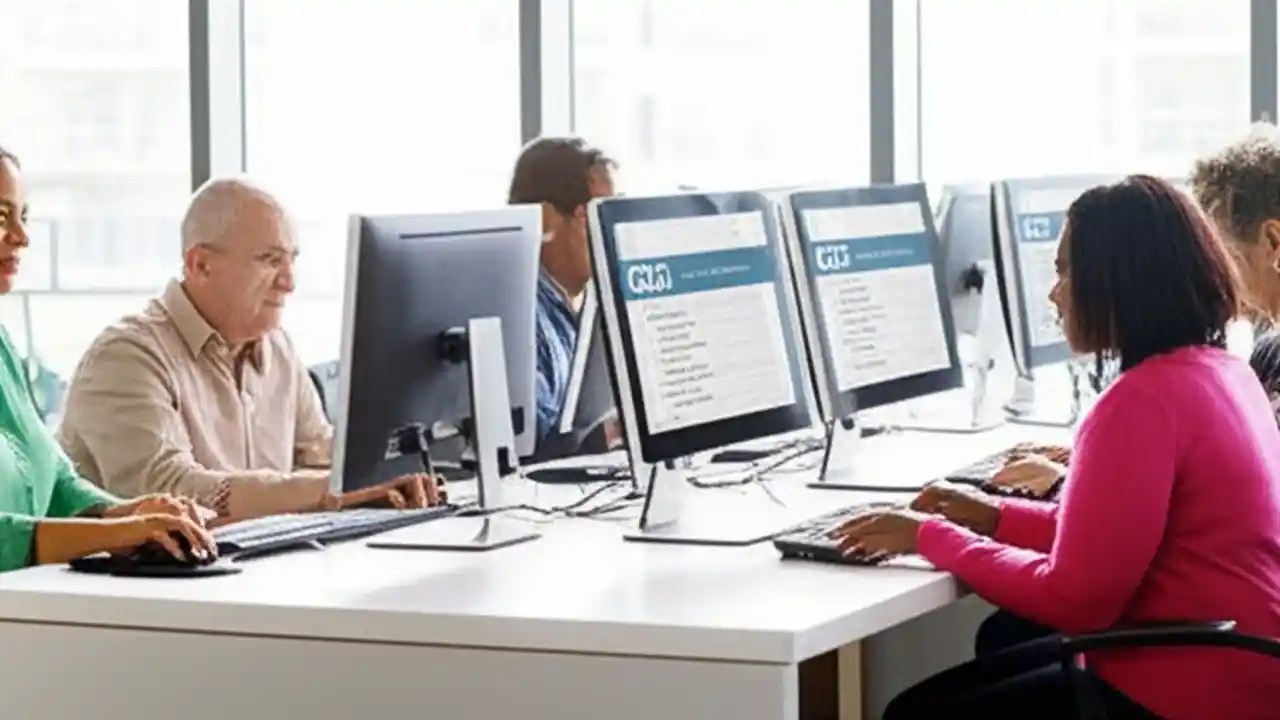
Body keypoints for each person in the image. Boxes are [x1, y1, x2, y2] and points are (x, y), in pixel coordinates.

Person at [835, 176, 1280, 719]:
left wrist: (932, 537)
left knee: (916, 713)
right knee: (992, 650)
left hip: (1188, 683)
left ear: (1116, 283)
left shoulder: (1140, 404)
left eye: (1067, 271)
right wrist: (993, 516)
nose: (1055, 292)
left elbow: (1076, 599)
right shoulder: (1226, 373)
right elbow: (1114, 539)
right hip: (1237, 665)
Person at [57, 177, 442, 520]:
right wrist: (337, 489)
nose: (289, 282)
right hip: (145, 592)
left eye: (291, 261)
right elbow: (171, 492)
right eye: (270, 260)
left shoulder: (277, 346)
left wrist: (384, 475)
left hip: (248, 577)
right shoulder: (126, 357)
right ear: (201, 265)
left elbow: (320, 456)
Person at [0, 144, 217, 571]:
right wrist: (110, 535)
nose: (22, 238)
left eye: (23, 217)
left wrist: (124, 513)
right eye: (0, 218)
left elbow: (54, 480)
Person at [507, 136, 619, 455]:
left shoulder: (589, 309)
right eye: (597, 214)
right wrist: (611, 433)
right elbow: (534, 451)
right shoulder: (518, 319)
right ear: (546, 219)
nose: (612, 230)